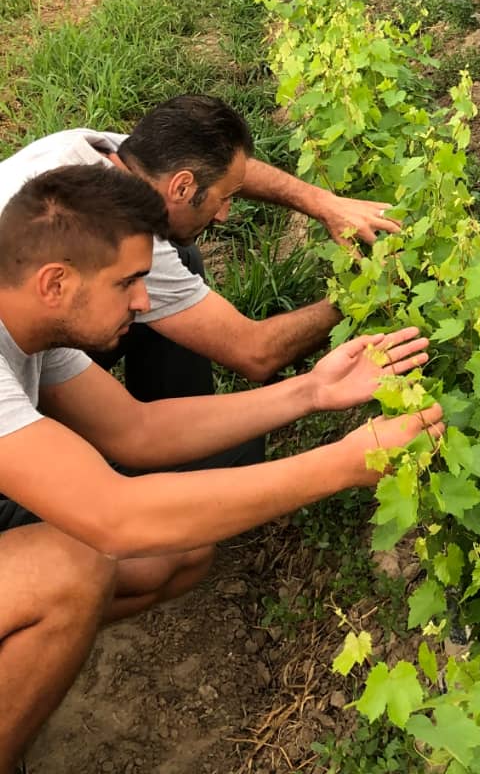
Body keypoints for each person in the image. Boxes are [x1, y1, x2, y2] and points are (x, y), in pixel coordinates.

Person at [0, 165, 444, 773]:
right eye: (128, 281)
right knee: (70, 569)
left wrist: (310, 392)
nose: (144, 299)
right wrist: (343, 463)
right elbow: (114, 516)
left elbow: (138, 430)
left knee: (175, 557)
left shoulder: (30, 322)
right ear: (55, 282)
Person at [0, 94, 400, 469]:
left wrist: (320, 202)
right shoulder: (110, 241)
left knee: (183, 261)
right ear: (182, 188)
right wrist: (357, 294)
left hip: (32, 334)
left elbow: (221, 168)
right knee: (199, 494)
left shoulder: (92, 157)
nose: (225, 214)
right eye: (224, 199)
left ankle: (170, 425)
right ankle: (153, 459)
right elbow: (255, 353)